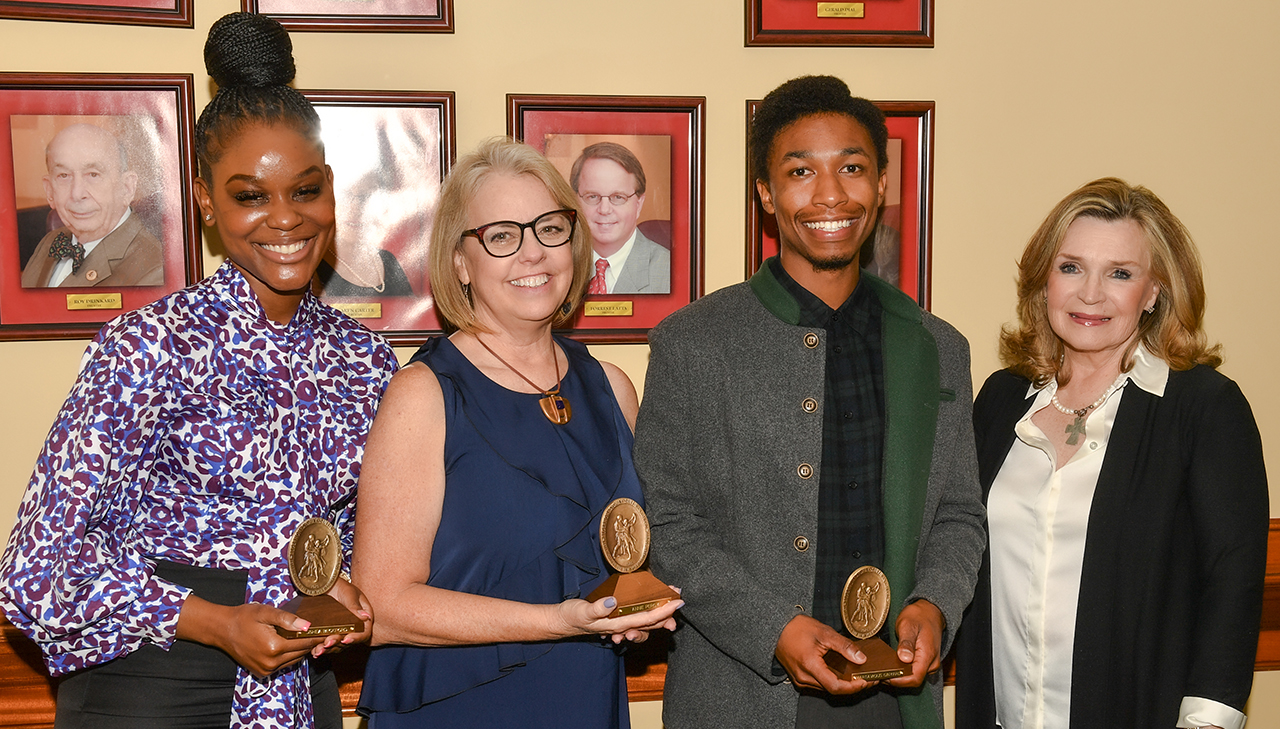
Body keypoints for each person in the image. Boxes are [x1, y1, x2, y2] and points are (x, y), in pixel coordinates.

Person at [0, 13, 396, 728]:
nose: (285, 218)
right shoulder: (149, 344)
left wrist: (348, 587)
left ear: (331, 190)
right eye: (250, 195)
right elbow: (34, 572)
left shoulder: (364, 359)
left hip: (296, 690)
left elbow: (355, 532)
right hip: (150, 687)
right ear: (206, 200)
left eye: (305, 190)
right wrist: (212, 620)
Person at [635, 75, 985, 729]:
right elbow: (670, 524)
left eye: (852, 168)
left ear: (881, 184)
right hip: (741, 695)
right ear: (766, 193)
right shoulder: (690, 342)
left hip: (896, 702)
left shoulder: (938, 346)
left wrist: (936, 603)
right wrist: (775, 628)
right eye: (801, 171)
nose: (830, 194)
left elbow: (960, 514)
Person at [353, 137, 681, 728]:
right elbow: (385, 606)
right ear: (460, 261)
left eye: (549, 228)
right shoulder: (424, 396)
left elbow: (631, 563)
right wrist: (558, 620)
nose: (533, 253)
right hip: (456, 709)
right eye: (502, 236)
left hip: (584, 698)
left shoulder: (613, 389)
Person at [953, 178, 1269, 729]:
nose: (1090, 294)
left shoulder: (1203, 409)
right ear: (1044, 279)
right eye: (1071, 267)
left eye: (1120, 273)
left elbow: (1232, 581)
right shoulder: (1001, 401)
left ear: (1153, 292)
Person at [20, 122, 164, 288]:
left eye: (93, 175)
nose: (77, 194)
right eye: (64, 175)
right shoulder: (49, 243)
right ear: (49, 190)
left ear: (126, 188)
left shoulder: (155, 270)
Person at [569, 141, 670, 294]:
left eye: (618, 197)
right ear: (575, 200)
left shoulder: (669, 273)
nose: (604, 209)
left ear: (639, 204)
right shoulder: (559, 265)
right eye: (592, 196)